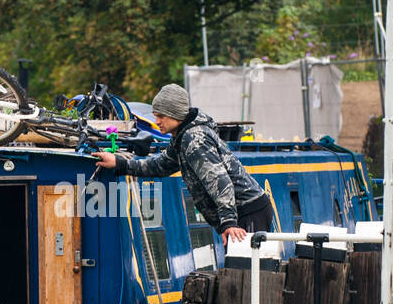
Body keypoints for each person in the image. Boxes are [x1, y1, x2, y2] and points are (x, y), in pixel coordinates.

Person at [94, 83, 272, 244]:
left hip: (247, 211)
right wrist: (120, 164)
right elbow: (161, 165)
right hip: (239, 212)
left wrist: (229, 222)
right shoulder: (181, 137)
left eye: (161, 116)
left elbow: (220, 182)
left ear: (175, 114)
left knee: (246, 273)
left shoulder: (194, 139)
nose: (156, 122)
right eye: (155, 116)